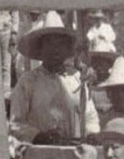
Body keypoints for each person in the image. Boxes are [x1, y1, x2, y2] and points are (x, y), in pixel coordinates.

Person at [10, 11, 100, 143]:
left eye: (60, 44)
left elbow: (90, 117)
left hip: (75, 150)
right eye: (49, 44)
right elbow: (15, 124)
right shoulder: (28, 81)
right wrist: (38, 136)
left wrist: (91, 135)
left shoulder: (76, 79)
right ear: (41, 48)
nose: (55, 50)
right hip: (40, 151)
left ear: (67, 48)